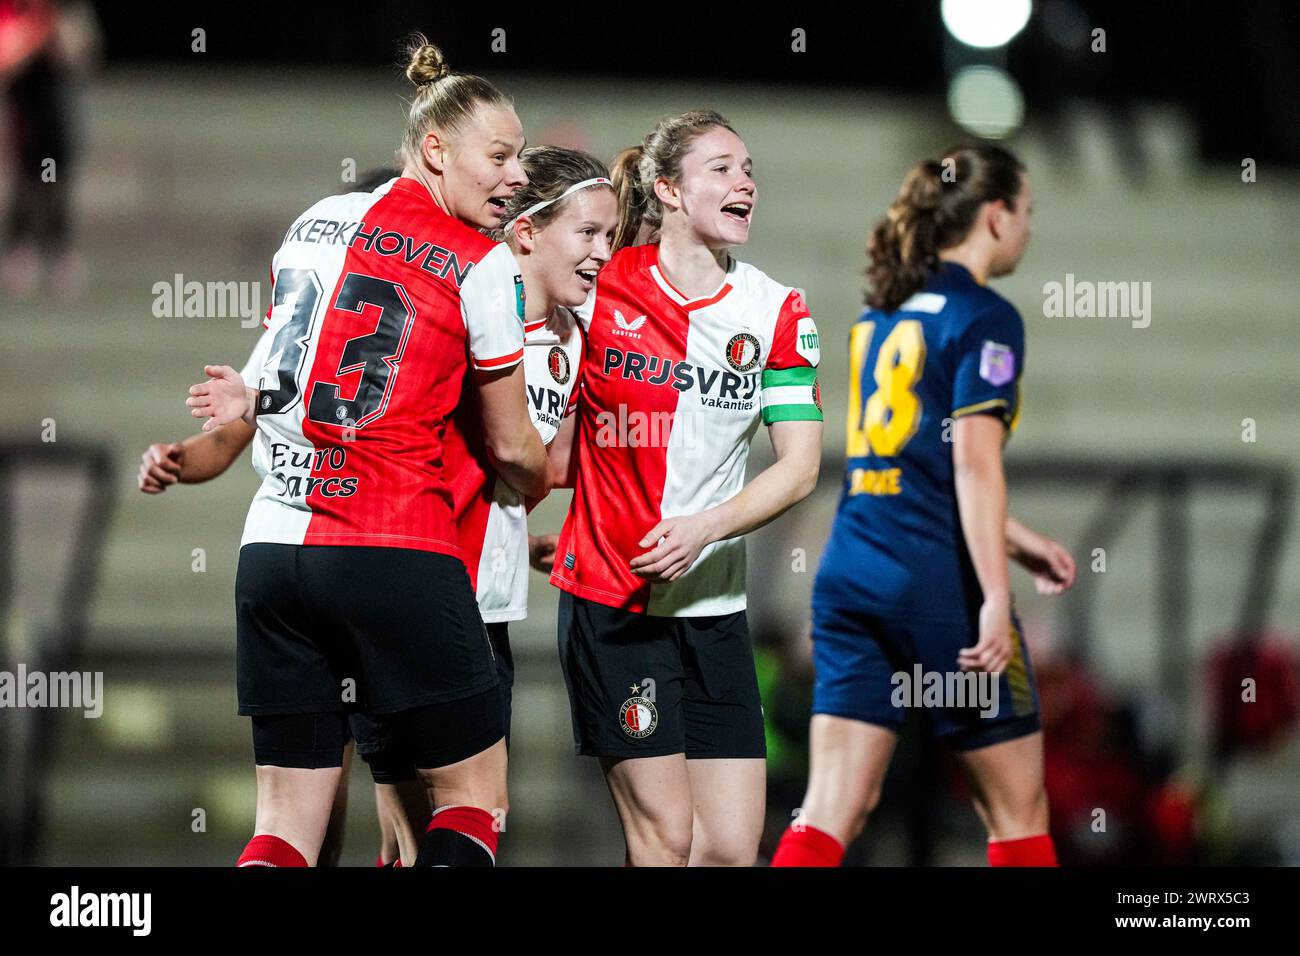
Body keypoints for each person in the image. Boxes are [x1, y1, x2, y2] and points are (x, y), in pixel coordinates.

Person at [184, 36, 547, 867]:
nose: (518, 176)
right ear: (434, 150)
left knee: (282, 828)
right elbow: (508, 441)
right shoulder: (484, 261)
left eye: (520, 157)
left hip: (272, 551)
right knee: (473, 803)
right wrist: (558, 472)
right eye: (499, 156)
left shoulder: (313, 218)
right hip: (392, 544)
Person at [771, 144, 1076, 868]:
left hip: (852, 573)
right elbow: (971, 461)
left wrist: (1013, 535)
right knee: (1016, 812)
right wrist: (997, 596)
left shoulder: (883, 309)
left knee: (833, 806)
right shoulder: (987, 317)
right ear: (996, 216)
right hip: (938, 584)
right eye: (1027, 213)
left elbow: (910, 465)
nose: (1029, 229)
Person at [544, 109, 824, 866]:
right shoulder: (599, 292)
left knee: (730, 850)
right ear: (667, 189)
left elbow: (800, 467)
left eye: (749, 170)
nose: (746, 184)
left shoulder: (775, 310)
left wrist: (704, 527)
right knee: (665, 838)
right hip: (615, 607)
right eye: (723, 169)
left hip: (714, 614)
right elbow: (548, 434)